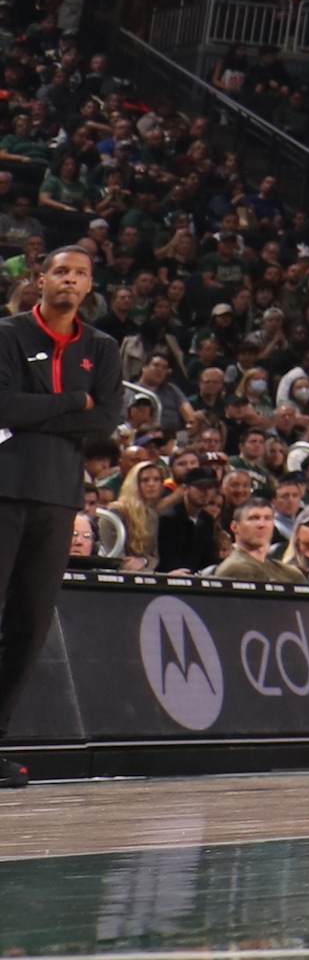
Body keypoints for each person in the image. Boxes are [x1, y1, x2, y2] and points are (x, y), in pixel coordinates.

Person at [0, 247, 115, 785]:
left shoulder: (103, 347)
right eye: (61, 271)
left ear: (90, 285)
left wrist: (41, 410)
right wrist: (74, 401)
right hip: (4, 489)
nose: (69, 280)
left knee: (27, 628)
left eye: (80, 274)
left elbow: (106, 423)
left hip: (58, 501)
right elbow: (3, 408)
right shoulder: (8, 334)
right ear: (40, 279)